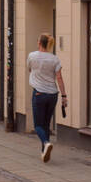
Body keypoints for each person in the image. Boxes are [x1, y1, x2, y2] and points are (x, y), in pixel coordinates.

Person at [28, 33, 67, 162]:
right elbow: (59, 78)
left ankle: (45, 143)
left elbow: (30, 69)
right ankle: (44, 152)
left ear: (39, 43)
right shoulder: (55, 59)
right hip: (52, 95)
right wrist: (64, 96)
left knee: (38, 125)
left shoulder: (32, 56)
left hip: (39, 93)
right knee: (46, 123)